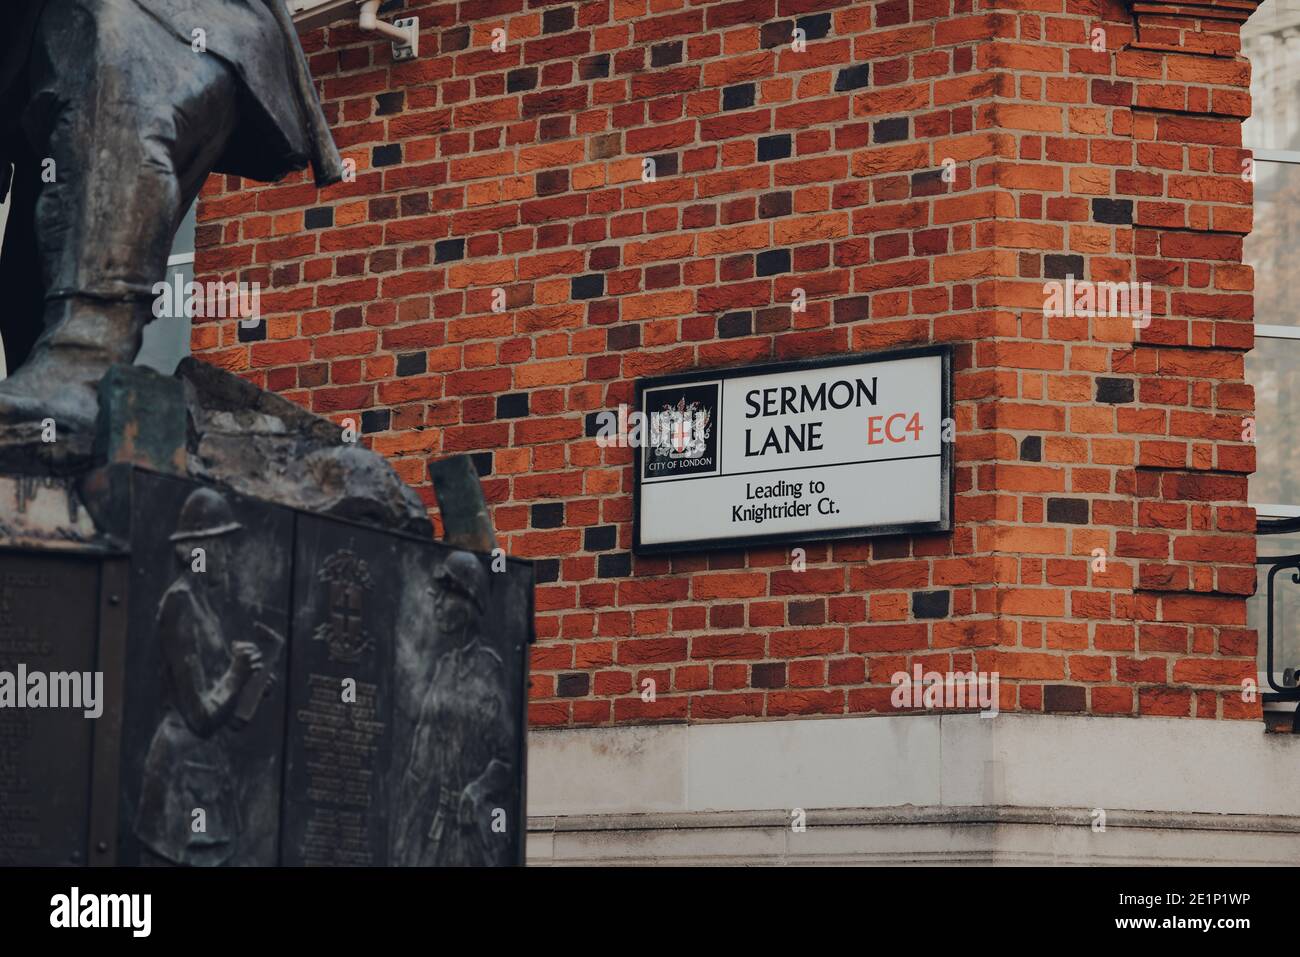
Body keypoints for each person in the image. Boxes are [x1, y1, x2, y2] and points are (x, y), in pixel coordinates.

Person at [0, 0, 342, 441]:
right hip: (33, 79)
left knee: (110, 49)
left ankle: (86, 349)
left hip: (162, 27)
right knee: (29, 286)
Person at [134, 487, 275, 866]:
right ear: (196, 550)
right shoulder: (180, 603)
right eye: (221, 545)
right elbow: (198, 715)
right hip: (180, 775)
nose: (228, 557)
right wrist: (236, 673)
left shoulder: (204, 605)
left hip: (205, 773)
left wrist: (249, 688)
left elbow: (219, 717)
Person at [392, 551, 516, 866]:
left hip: (473, 831)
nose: (437, 605)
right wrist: (405, 830)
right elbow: (420, 758)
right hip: (438, 825)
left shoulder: (489, 670)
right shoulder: (444, 668)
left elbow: (506, 758)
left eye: (446, 596)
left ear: (468, 602)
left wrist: (478, 789)